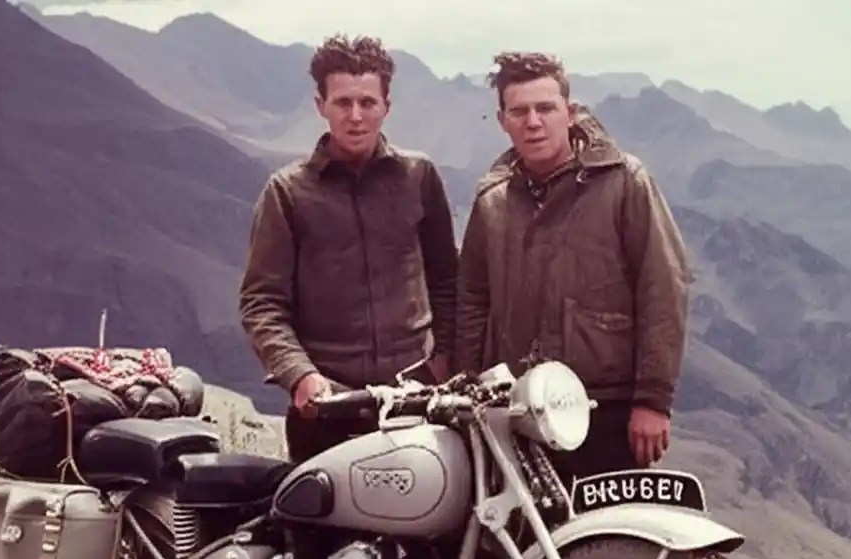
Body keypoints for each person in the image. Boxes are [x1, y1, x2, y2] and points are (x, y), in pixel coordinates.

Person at [455, 51, 692, 482]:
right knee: (521, 544)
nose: (533, 121)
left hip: (606, 409)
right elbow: (472, 300)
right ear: (502, 119)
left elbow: (663, 289)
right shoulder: (492, 201)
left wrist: (653, 400)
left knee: (613, 543)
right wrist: (468, 389)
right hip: (518, 411)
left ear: (570, 111)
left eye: (545, 108)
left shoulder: (624, 182)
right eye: (519, 111)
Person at [239, 34, 458, 464]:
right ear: (320, 104)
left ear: (386, 106)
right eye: (342, 103)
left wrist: (444, 361)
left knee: (430, 525)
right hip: (325, 407)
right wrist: (299, 375)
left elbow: (448, 278)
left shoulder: (419, 178)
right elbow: (261, 302)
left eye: (367, 102)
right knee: (320, 529)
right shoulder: (288, 193)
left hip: (415, 401)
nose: (356, 116)